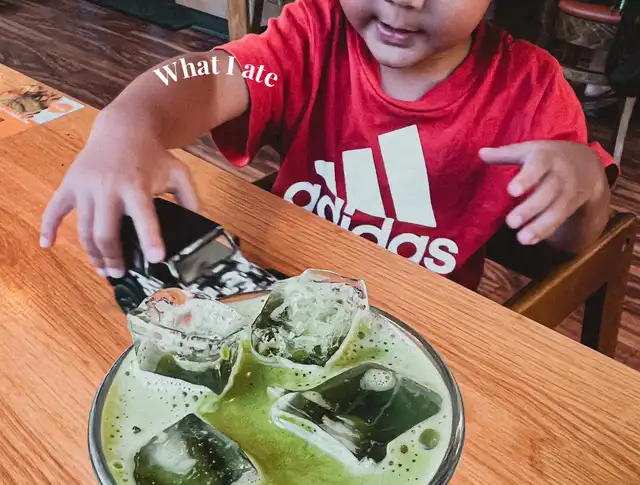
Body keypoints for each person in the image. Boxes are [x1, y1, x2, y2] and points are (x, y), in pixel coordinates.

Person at [40, 0, 613, 291]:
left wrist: (583, 186)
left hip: (413, 327)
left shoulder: (531, 89)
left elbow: (574, 242)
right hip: (277, 292)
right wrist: (128, 125)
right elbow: (206, 75)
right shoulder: (312, 39)